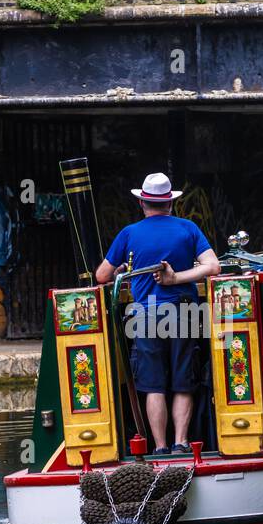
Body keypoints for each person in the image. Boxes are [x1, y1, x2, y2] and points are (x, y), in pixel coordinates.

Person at [95, 172, 220, 456]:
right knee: (183, 381)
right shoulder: (188, 228)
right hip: (184, 312)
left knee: (154, 385)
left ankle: (160, 448)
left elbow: (102, 276)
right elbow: (213, 267)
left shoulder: (129, 234)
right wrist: (177, 279)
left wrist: (121, 270)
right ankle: (181, 443)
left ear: (142, 203)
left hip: (145, 316)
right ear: (170, 204)